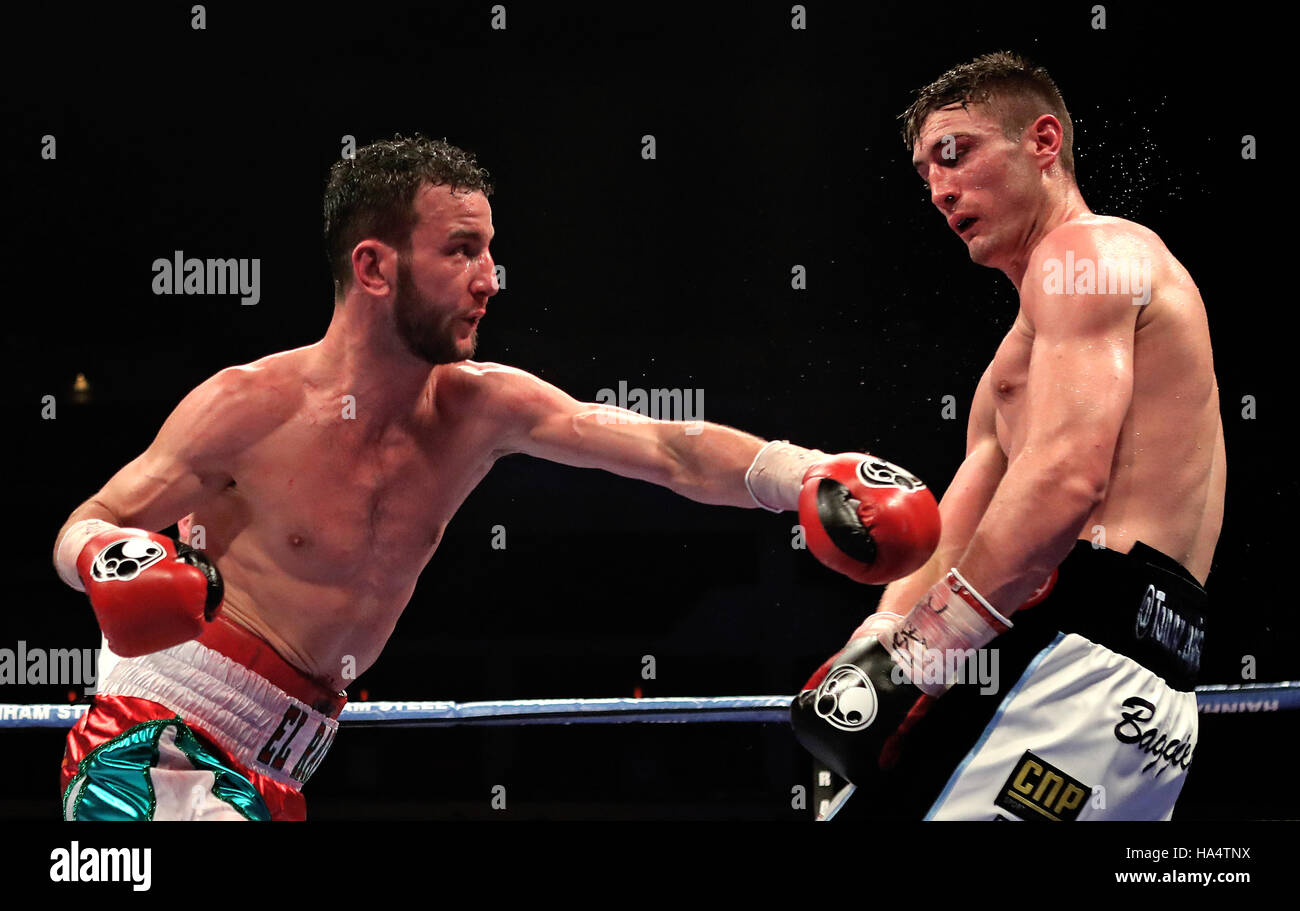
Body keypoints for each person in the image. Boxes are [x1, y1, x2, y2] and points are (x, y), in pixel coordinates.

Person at [53, 135, 939, 821]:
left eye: (489, 252)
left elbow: (664, 446)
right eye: (461, 252)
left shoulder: (479, 408)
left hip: (280, 762)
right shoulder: (249, 404)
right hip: (159, 736)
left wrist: (800, 473)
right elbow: (86, 521)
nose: (489, 280)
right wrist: (111, 558)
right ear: (373, 266)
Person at [791, 52, 1223, 821]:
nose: (939, 187)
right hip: (1133, 691)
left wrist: (925, 653)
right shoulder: (1008, 372)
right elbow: (952, 531)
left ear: (1043, 141)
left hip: (1074, 660)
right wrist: (878, 644)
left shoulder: (1087, 255)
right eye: (925, 171)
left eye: (956, 153)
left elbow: (1064, 481)